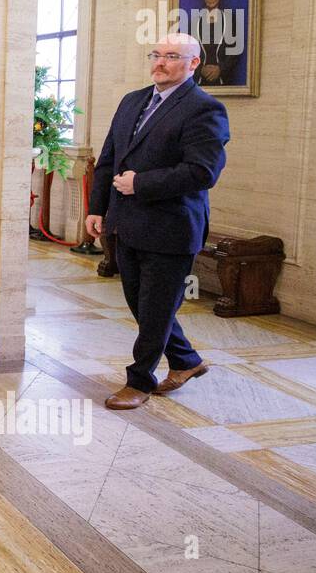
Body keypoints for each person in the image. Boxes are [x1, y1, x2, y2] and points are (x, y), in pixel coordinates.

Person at [85, 31, 230, 410]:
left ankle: (139, 382)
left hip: (172, 227)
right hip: (127, 224)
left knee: (155, 309)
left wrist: (141, 183)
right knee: (143, 304)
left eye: (171, 56)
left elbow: (202, 172)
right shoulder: (132, 101)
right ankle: (186, 361)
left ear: (193, 63)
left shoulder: (204, 108)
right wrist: (96, 208)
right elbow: (109, 159)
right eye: (156, 54)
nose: (160, 63)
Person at [190, 0, 240, 87]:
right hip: (198, 84)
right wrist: (200, 69)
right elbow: (187, 53)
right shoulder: (194, 22)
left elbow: (235, 52)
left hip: (223, 82)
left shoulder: (230, 20)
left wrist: (220, 69)